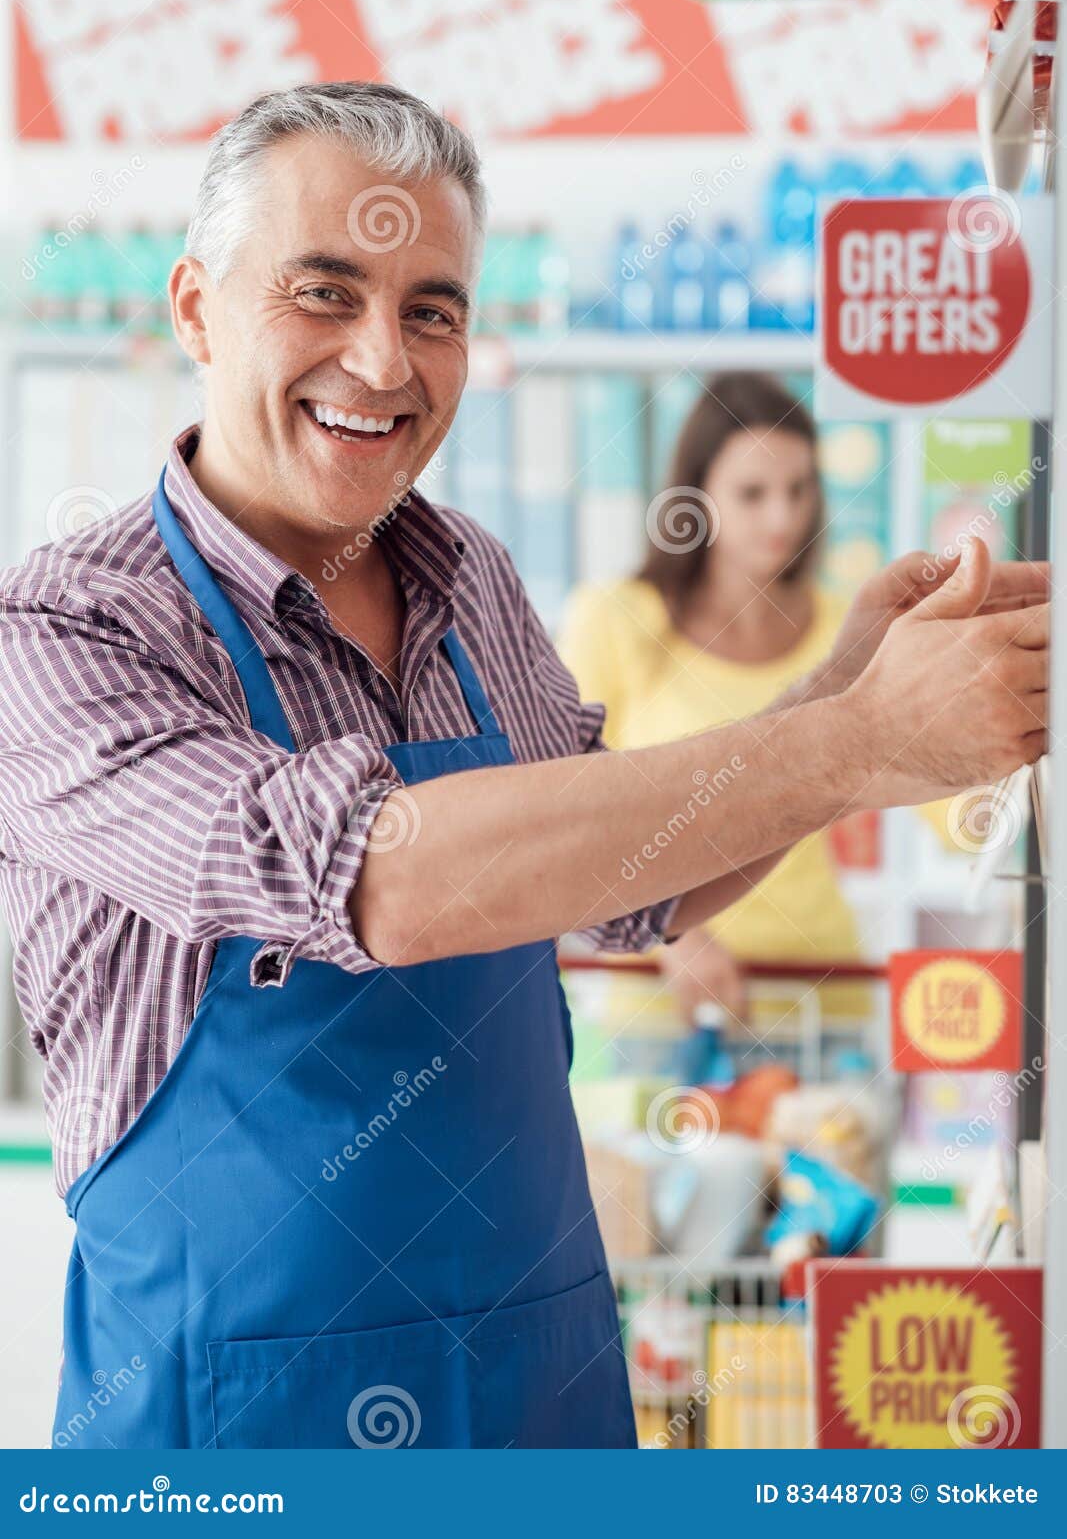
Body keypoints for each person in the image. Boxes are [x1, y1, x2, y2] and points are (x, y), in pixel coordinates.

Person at [0, 83, 1047, 1451]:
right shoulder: (66, 631)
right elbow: (376, 880)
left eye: (432, 310)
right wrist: (852, 739)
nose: (382, 359)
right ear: (196, 308)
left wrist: (845, 688)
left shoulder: (467, 575)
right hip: (239, 1434)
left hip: (541, 1391)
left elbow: (633, 886)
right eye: (323, 292)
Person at [558, 372, 860, 1025]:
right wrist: (674, 934)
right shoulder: (615, 620)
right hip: (662, 1004)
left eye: (798, 489)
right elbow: (565, 814)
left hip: (821, 988)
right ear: (695, 498)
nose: (781, 517)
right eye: (752, 493)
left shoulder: (846, 626)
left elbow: (939, 787)